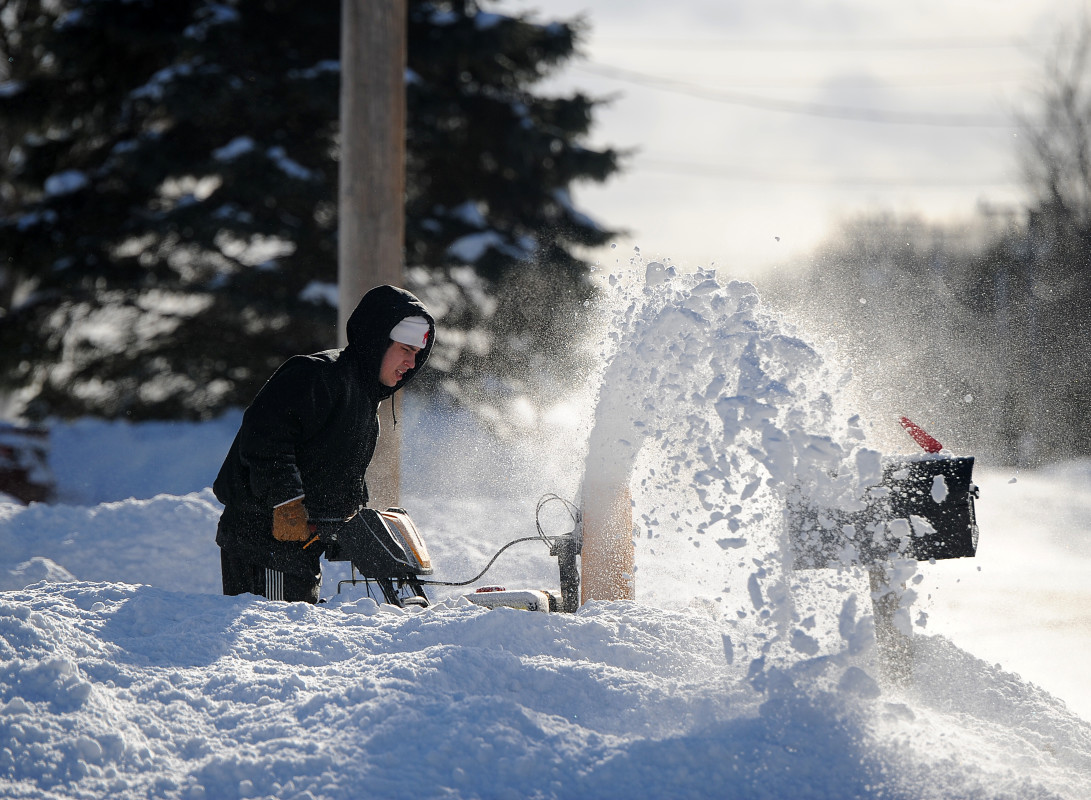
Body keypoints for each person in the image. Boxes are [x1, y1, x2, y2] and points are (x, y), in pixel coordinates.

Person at [213, 285, 435, 603]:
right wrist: (286, 504)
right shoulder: (317, 376)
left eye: (417, 354)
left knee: (288, 636)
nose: (411, 364)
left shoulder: (365, 402)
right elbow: (264, 439)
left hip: (299, 551)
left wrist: (354, 526)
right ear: (378, 340)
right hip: (263, 545)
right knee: (272, 634)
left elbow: (336, 476)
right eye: (405, 349)